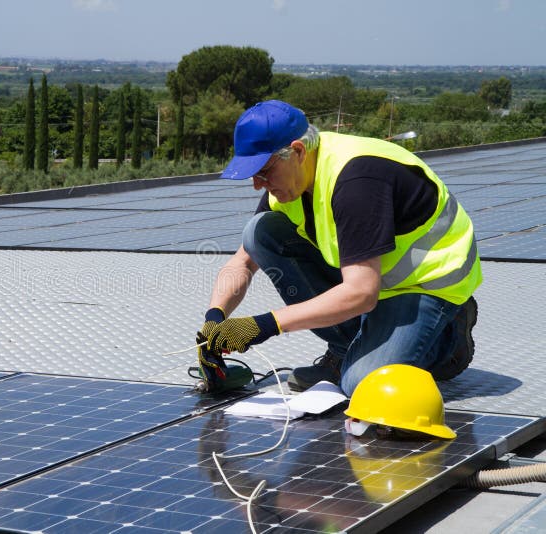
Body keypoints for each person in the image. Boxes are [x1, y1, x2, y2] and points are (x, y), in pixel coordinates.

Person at [198, 100, 480, 396]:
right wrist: (214, 318)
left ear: (297, 151)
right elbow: (241, 263)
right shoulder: (294, 180)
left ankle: (447, 337)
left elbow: (361, 293)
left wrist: (265, 325)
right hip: (372, 279)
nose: (258, 184)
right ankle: (346, 347)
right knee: (259, 232)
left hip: (425, 284)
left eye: (264, 172)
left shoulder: (357, 181)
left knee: (362, 385)